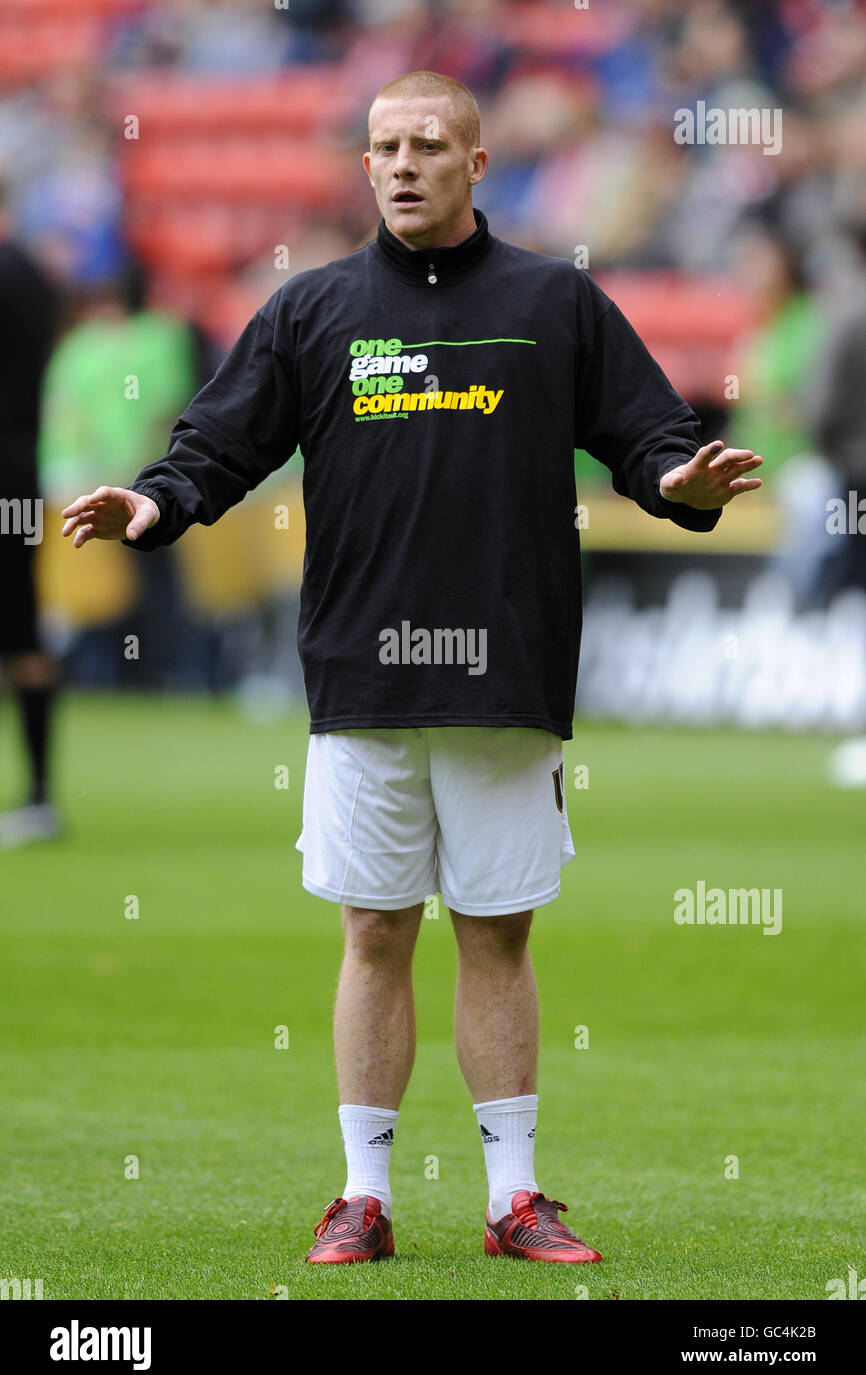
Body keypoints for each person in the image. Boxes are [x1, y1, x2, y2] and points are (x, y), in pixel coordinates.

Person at [60, 71, 763, 1266]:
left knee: (496, 935)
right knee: (373, 930)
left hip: (506, 679)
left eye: (426, 145)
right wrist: (156, 499)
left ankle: (512, 1200)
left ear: (475, 164)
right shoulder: (313, 309)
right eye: (383, 146)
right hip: (361, 680)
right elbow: (215, 445)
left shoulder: (552, 299)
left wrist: (677, 482)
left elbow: (646, 437)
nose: (399, 165)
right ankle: (362, 1197)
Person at [0, 187, 61, 849]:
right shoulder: (33, 273)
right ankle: (40, 794)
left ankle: (40, 797)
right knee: (23, 631)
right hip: (20, 474)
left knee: (20, 634)